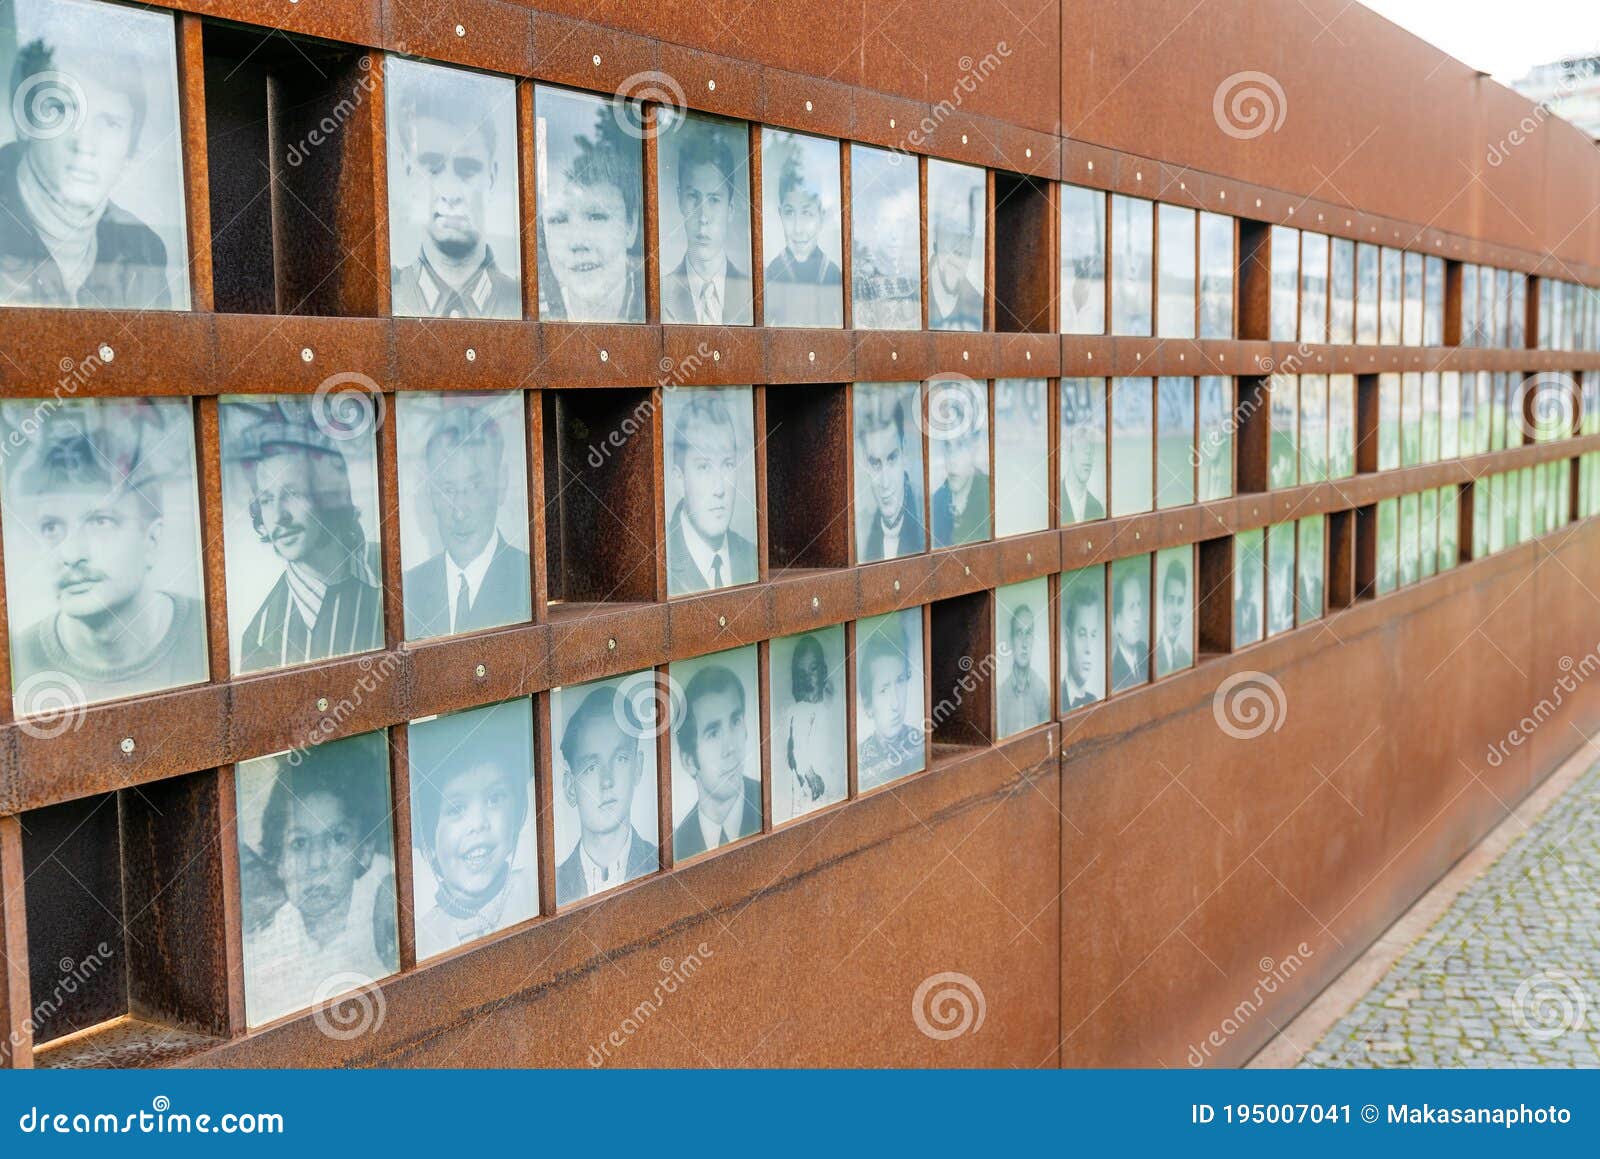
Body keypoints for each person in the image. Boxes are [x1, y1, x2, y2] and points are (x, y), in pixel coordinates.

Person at [6, 401, 206, 707]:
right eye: (51, 527)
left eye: (100, 522)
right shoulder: (16, 663)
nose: (71, 554)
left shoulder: (213, 636)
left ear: (151, 539)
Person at [0, 36, 175, 309]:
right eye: (62, 110)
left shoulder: (145, 250)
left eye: (110, 123)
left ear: (129, 150)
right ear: (26, 122)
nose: (85, 145)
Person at [242, 738, 396, 1026]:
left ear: (363, 850)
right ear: (278, 861)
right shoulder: (263, 949)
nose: (316, 863)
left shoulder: (387, 909)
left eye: (336, 838)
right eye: (299, 843)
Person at [230, 403, 383, 673]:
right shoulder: (261, 639)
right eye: (266, 500)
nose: (278, 515)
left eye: (293, 493)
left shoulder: (392, 567)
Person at [389, 70, 519, 319]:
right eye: (433, 167)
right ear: (409, 171)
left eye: (467, 168)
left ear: (491, 176)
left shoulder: (521, 301)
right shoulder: (387, 296)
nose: (449, 191)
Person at [410, 703, 536, 956]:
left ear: (517, 814)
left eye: (494, 799)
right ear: (429, 845)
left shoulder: (536, 890)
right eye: (456, 809)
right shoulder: (422, 939)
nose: (478, 824)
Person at [403, 405, 531, 638]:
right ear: (431, 493)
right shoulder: (407, 591)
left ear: (501, 483)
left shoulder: (530, 581)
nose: (459, 511)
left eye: (474, 487)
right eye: (447, 489)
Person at [555, 682, 658, 905]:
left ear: (637, 768)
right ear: (570, 788)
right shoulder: (554, 887)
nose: (607, 781)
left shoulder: (661, 863)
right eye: (591, 767)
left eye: (620, 759)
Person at [538, 113, 643, 322]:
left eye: (596, 217)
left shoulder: (661, 307)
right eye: (558, 220)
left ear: (631, 225)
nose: (578, 242)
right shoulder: (536, 312)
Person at [666, 390, 756, 595]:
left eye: (727, 465)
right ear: (679, 481)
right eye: (704, 467)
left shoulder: (753, 556)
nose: (719, 489)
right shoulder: (659, 564)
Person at [662, 124, 751, 326]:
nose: (703, 217)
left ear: (731, 207)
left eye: (714, 199)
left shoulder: (753, 293)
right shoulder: (660, 293)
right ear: (679, 199)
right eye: (693, 196)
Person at [672, 663, 761, 859]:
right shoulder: (676, 847)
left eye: (735, 721)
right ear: (688, 761)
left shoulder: (776, 803)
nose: (730, 749)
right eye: (713, 733)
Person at [763, 143, 842, 327]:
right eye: (790, 213)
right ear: (780, 214)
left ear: (821, 215)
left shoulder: (834, 276)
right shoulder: (771, 274)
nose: (798, 229)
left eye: (807, 213)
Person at [856, 388, 925, 562]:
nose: (884, 482)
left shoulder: (928, 519)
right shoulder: (861, 530)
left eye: (892, 459)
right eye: (875, 464)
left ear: (905, 453)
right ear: (865, 464)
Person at [779, 634, 843, 818]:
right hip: (810, 786)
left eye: (813, 670)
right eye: (801, 674)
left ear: (824, 671)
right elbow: (797, 749)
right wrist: (810, 775)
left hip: (828, 785)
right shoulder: (801, 710)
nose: (808, 679)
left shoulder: (827, 707)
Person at [857, 621, 922, 789]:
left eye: (900, 682)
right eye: (883, 690)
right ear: (868, 704)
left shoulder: (921, 744)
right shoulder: (858, 761)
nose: (895, 703)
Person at [927, 192, 982, 331]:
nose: (959, 248)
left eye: (967, 235)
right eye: (951, 229)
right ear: (936, 236)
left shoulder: (982, 307)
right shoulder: (911, 293)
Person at [930, 422, 990, 548]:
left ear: (975, 447)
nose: (952, 459)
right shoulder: (935, 503)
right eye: (947, 446)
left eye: (961, 445)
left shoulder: (989, 493)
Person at [997, 603, 1049, 736]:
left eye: (1028, 633)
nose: (1024, 643)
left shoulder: (1041, 691)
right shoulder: (1001, 695)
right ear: (1011, 640)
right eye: (1019, 633)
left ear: (1033, 639)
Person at [1061, 579, 1103, 710]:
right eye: (1082, 634)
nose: (1089, 649)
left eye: (1093, 635)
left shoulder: (1095, 700)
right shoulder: (1052, 703)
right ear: (1067, 639)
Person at [1061, 406, 1105, 525]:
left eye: (1091, 449)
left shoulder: (1097, 508)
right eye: (1082, 446)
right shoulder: (1053, 503)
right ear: (1070, 449)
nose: (1087, 455)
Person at [1110, 567, 1148, 692]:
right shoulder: (1113, 672)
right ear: (1117, 622)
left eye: (1139, 604)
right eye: (1131, 607)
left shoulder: (1147, 653)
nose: (1138, 616)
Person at [1155, 559, 1192, 674]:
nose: (1176, 611)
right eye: (1171, 600)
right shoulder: (1150, 656)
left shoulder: (1187, 659)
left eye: (1180, 601)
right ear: (1163, 604)